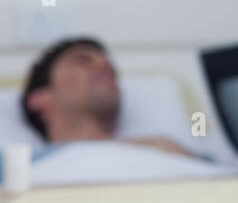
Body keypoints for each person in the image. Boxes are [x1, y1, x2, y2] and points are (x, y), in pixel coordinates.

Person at [21, 37, 203, 175]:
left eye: (110, 68)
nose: (104, 68)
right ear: (39, 98)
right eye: (82, 61)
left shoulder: (173, 151)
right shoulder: (19, 167)